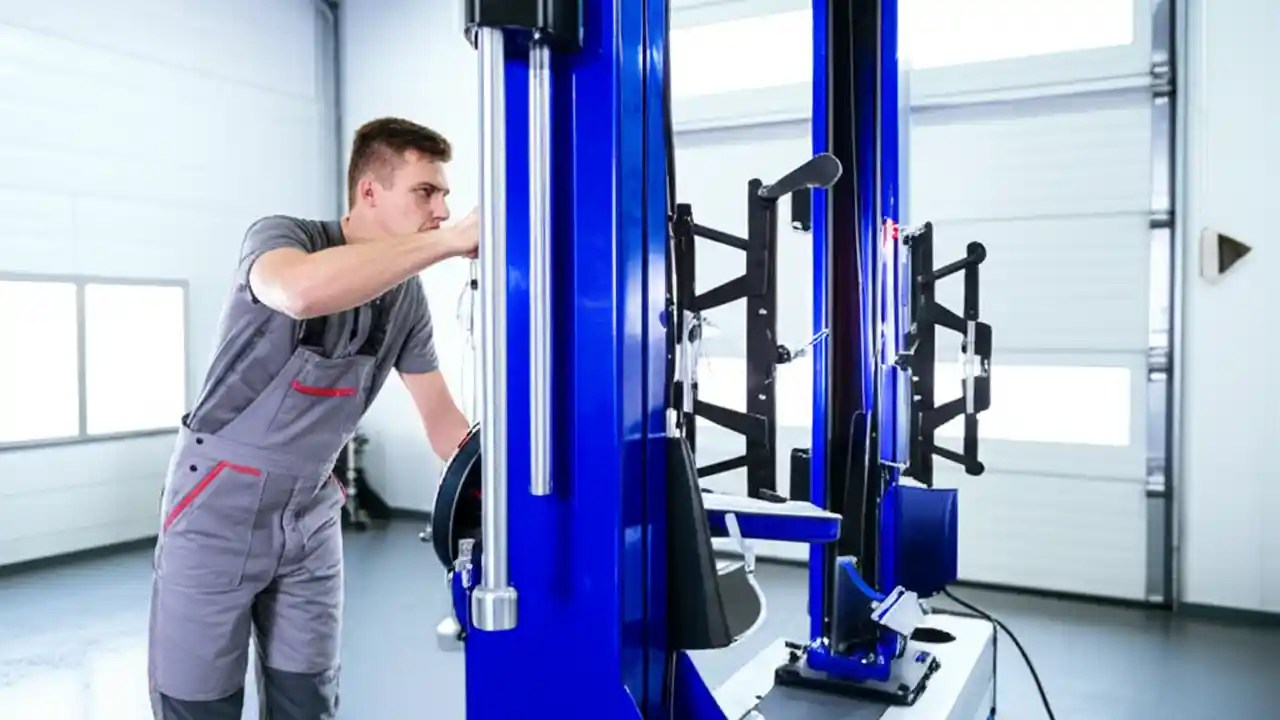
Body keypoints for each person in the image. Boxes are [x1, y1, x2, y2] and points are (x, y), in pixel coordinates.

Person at [147, 117, 477, 719]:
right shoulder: (284, 238)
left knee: (309, 697)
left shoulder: (407, 300)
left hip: (310, 514)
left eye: (445, 196)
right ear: (369, 191)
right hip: (216, 506)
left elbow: (444, 426)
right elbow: (298, 293)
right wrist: (450, 243)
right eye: (426, 192)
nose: (442, 209)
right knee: (199, 702)